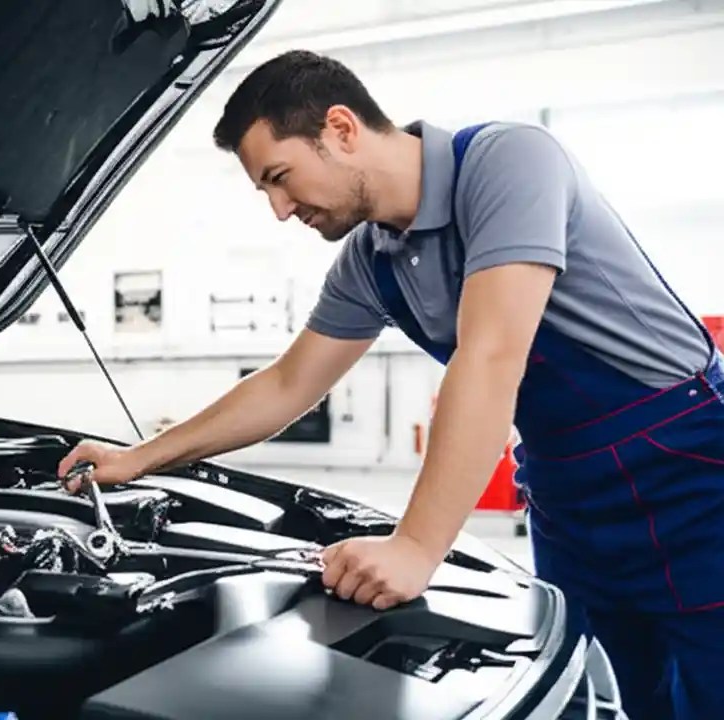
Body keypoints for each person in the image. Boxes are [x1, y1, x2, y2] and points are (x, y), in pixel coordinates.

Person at [56, 49, 724, 719]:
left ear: (341, 128)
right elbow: (287, 384)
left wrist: (415, 546)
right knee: (609, 693)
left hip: (688, 465)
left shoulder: (507, 162)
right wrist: (137, 456)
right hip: (567, 493)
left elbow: (490, 356)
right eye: (266, 192)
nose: (281, 211)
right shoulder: (370, 261)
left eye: (281, 178)